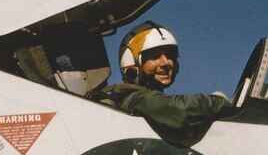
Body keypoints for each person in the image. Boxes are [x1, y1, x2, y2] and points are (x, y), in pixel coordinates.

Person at [90, 21, 232, 143]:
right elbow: (181, 110)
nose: (165, 62)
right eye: (154, 56)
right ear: (132, 65)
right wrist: (218, 101)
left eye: (170, 56)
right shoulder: (136, 99)